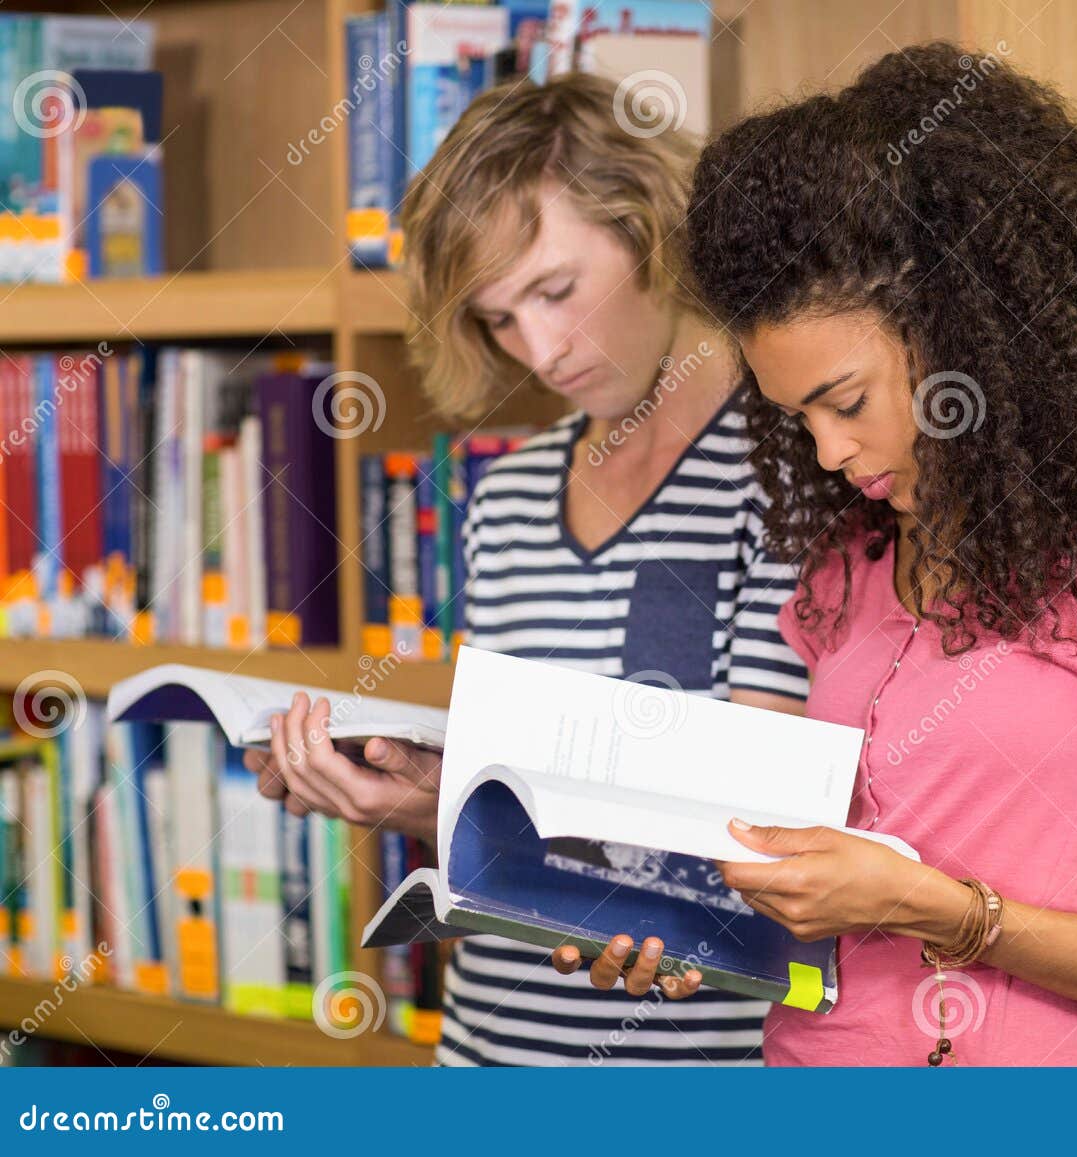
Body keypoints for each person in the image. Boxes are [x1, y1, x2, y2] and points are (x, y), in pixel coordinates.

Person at [583, 41, 1077, 1066]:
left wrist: (944, 910)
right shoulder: (844, 568)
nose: (827, 450)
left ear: (969, 331)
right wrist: (691, 929)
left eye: (847, 401)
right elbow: (823, 908)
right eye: (794, 417)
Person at [241, 72, 810, 1066]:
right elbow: (516, 799)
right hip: (486, 1053)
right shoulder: (503, 499)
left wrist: (441, 800)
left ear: (650, 229)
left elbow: (762, 825)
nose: (540, 348)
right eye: (499, 317)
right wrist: (407, 785)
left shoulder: (792, 468)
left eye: (555, 289)